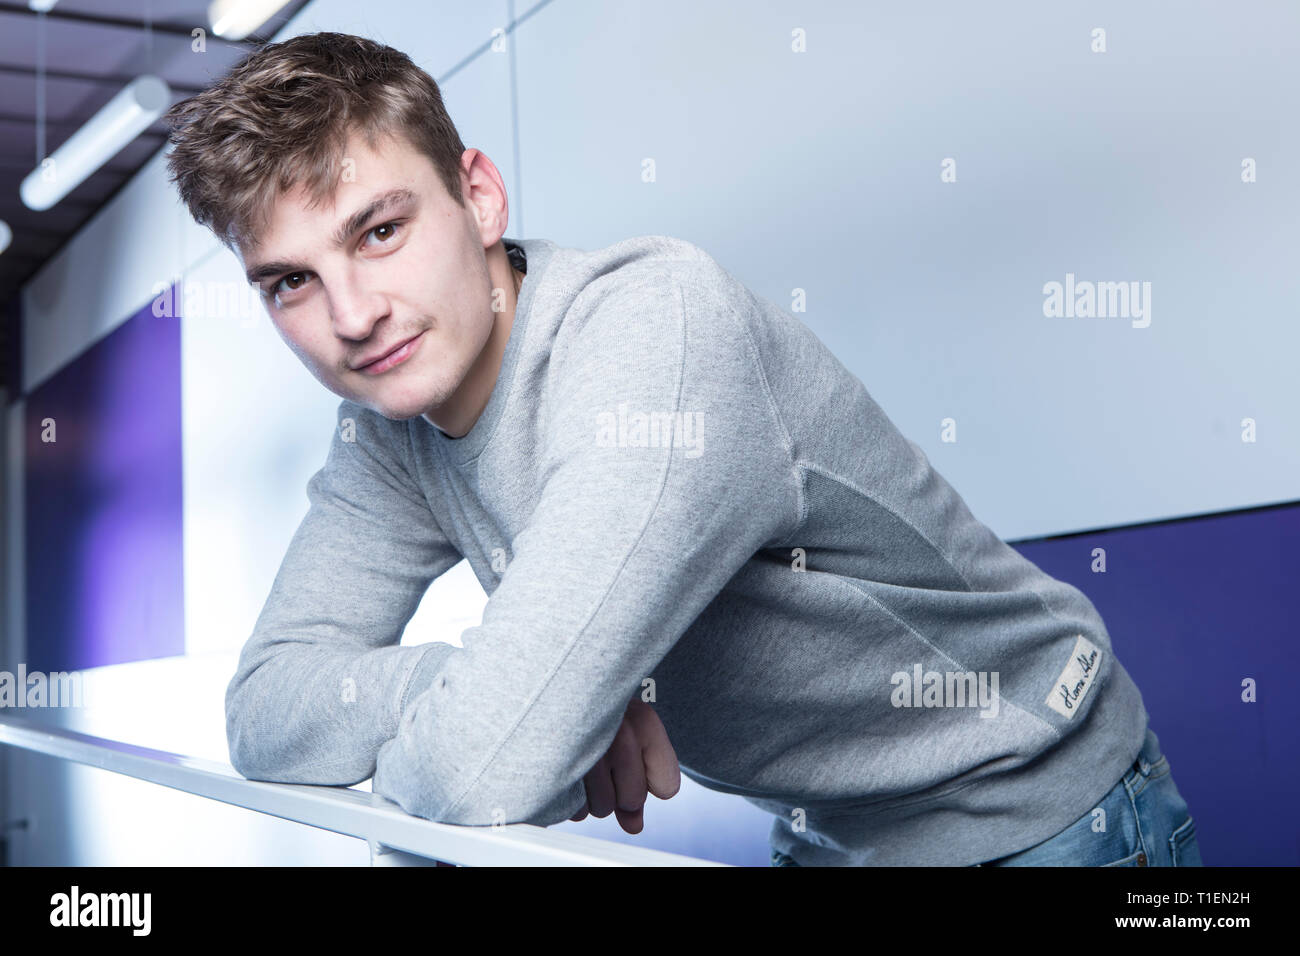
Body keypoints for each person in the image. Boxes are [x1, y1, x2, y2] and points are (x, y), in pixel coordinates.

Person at [162, 31, 1202, 867]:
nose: (352, 313)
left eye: (378, 230)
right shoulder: (388, 425)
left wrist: (530, 710)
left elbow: (474, 769)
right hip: (822, 828)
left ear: (478, 195)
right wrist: (504, 687)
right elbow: (266, 712)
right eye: (289, 280)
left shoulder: (655, 333)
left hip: (1045, 816)